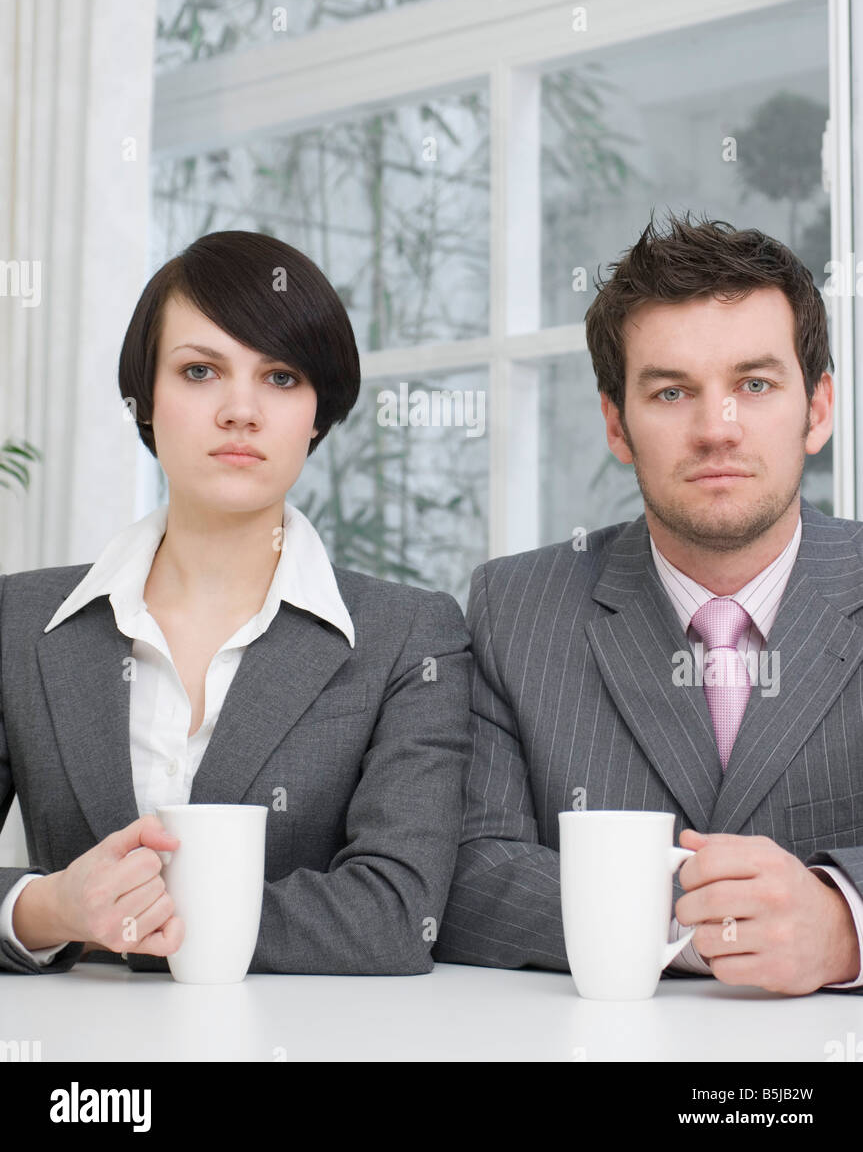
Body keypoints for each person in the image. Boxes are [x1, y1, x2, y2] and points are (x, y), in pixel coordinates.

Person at [0, 229, 471, 976]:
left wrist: (151, 919)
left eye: (281, 378)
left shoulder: (409, 636)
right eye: (199, 371)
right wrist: (51, 908)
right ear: (145, 401)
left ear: (317, 413)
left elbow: (396, 913)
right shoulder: (17, 621)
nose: (240, 411)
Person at [434, 211, 863, 995]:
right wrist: (693, 925)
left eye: (755, 385)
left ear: (819, 409)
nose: (715, 430)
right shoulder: (513, 606)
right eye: (671, 392)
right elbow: (467, 870)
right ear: (616, 425)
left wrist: (844, 924)